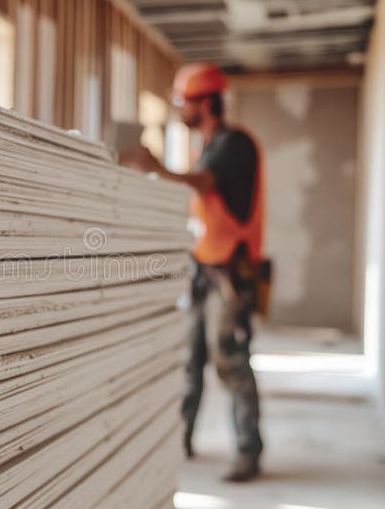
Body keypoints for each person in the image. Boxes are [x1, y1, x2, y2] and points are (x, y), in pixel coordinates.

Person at [120, 62, 264, 482]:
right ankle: (180, 440)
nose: (178, 108)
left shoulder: (232, 144)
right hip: (204, 270)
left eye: (183, 100)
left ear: (205, 102)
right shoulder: (208, 144)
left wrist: (154, 165)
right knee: (192, 360)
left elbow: (200, 184)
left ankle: (247, 450)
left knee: (230, 360)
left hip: (230, 276)